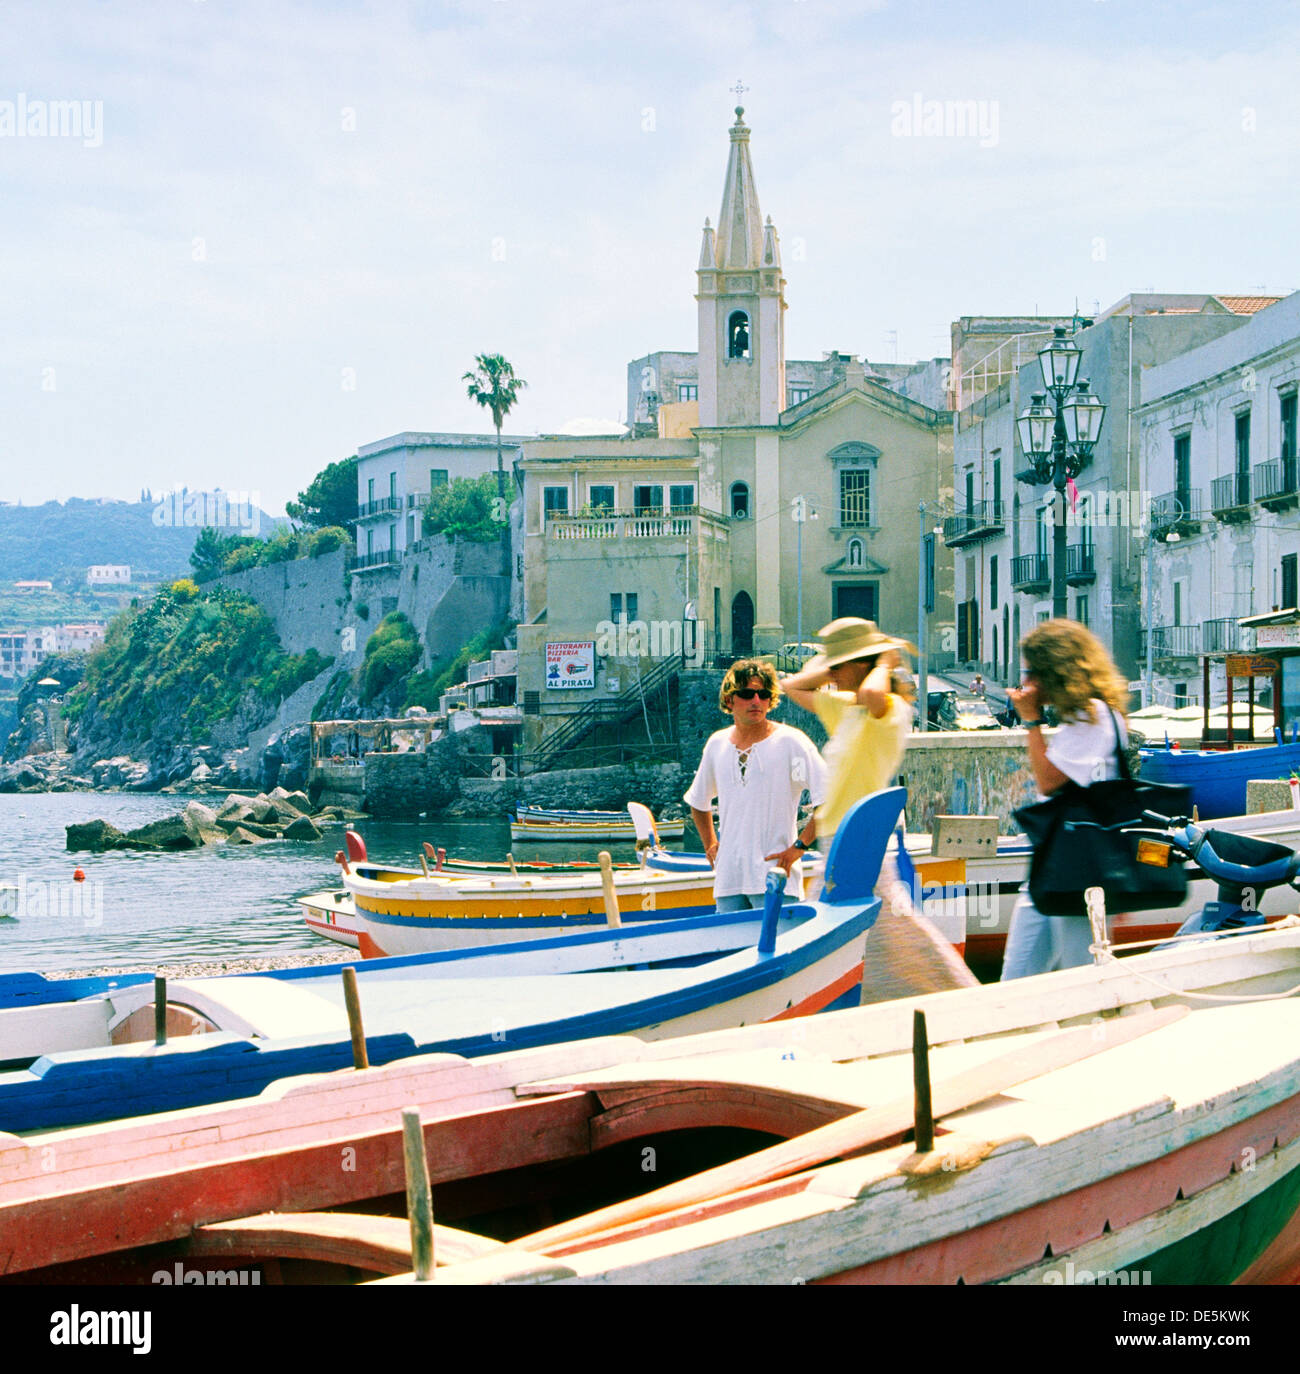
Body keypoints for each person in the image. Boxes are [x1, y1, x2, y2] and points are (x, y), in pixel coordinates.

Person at [1001, 618, 1131, 980]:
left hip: (1081, 871)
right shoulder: (1087, 716)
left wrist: (1031, 721)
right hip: (1058, 863)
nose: (1025, 682)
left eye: (1030, 672)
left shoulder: (1092, 717)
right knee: (1017, 978)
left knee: (1081, 976)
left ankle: (1099, 1034)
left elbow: (1048, 781)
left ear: (1052, 671)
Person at [685, 659, 826, 911]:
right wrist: (710, 845)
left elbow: (828, 798)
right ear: (729, 700)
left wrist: (800, 846)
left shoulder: (791, 743)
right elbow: (698, 801)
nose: (756, 701)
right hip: (729, 882)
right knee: (730, 950)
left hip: (775, 878)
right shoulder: (717, 745)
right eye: (747, 694)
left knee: (782, 950)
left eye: (763, 695)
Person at [779, 619, 915, 846]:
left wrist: (882, 664)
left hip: (864, 834)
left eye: (837, 667)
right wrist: (836, 667)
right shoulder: (847, 706)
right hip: (839, 835)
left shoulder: (893, 707)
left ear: (861, 664)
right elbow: (791, 686)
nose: (832, 675)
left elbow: (872, 694)